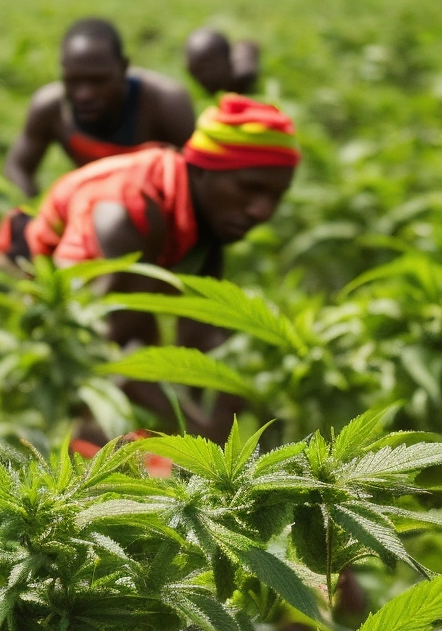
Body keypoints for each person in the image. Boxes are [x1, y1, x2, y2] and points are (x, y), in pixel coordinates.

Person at [16, 96, 300, 438]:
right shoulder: (125, 216)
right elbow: (97, 350)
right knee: (88, 422)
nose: (262, 212)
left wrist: (243, 404)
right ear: (200, 169)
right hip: (32, 274)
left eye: (276, 196)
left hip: (125, 297)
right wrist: (197, 434)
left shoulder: (209, 214)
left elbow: (201, 333)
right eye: (248, 188)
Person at [0, 17, 196, 200]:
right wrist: (35, 213)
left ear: (123, 68)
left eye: (98, 81)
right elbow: (17, 167)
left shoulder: (164, 102)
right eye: (73, 81)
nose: (84, 94)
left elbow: (197, 177)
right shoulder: (51, 109)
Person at [185, 25, 262, 98]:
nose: (206, 76)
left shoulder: (243, 74)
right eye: (197, 70)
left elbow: (248, 48)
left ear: (229, 60)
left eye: (210, 68)